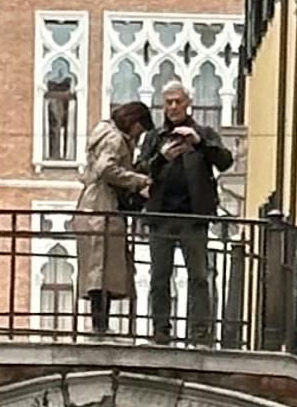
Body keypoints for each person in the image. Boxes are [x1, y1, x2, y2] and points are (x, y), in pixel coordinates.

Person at [140, 84, 232, 343]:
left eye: (177, 101)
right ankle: (160, 330)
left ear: (187, 102)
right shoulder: (155, 138)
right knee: (159, 276)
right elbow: (142, 170)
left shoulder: (203, 134)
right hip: (161, 217)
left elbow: (225, 161)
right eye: (168, 102)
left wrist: (199, 143)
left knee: (199, 277)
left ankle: (200, 332)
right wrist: (161, 157)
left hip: (194, 217)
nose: (172, 107)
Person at [74, 101, 151, 332]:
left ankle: (100, 322)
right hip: (102, 206)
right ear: (134, 122)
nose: (139, 136)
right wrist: (138, 181)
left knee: (97, 267)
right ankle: (100, 324)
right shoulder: (115, 139)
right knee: (102, 267)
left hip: (90, 203)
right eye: (140, 129)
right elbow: (106, 169)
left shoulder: (103, 132)